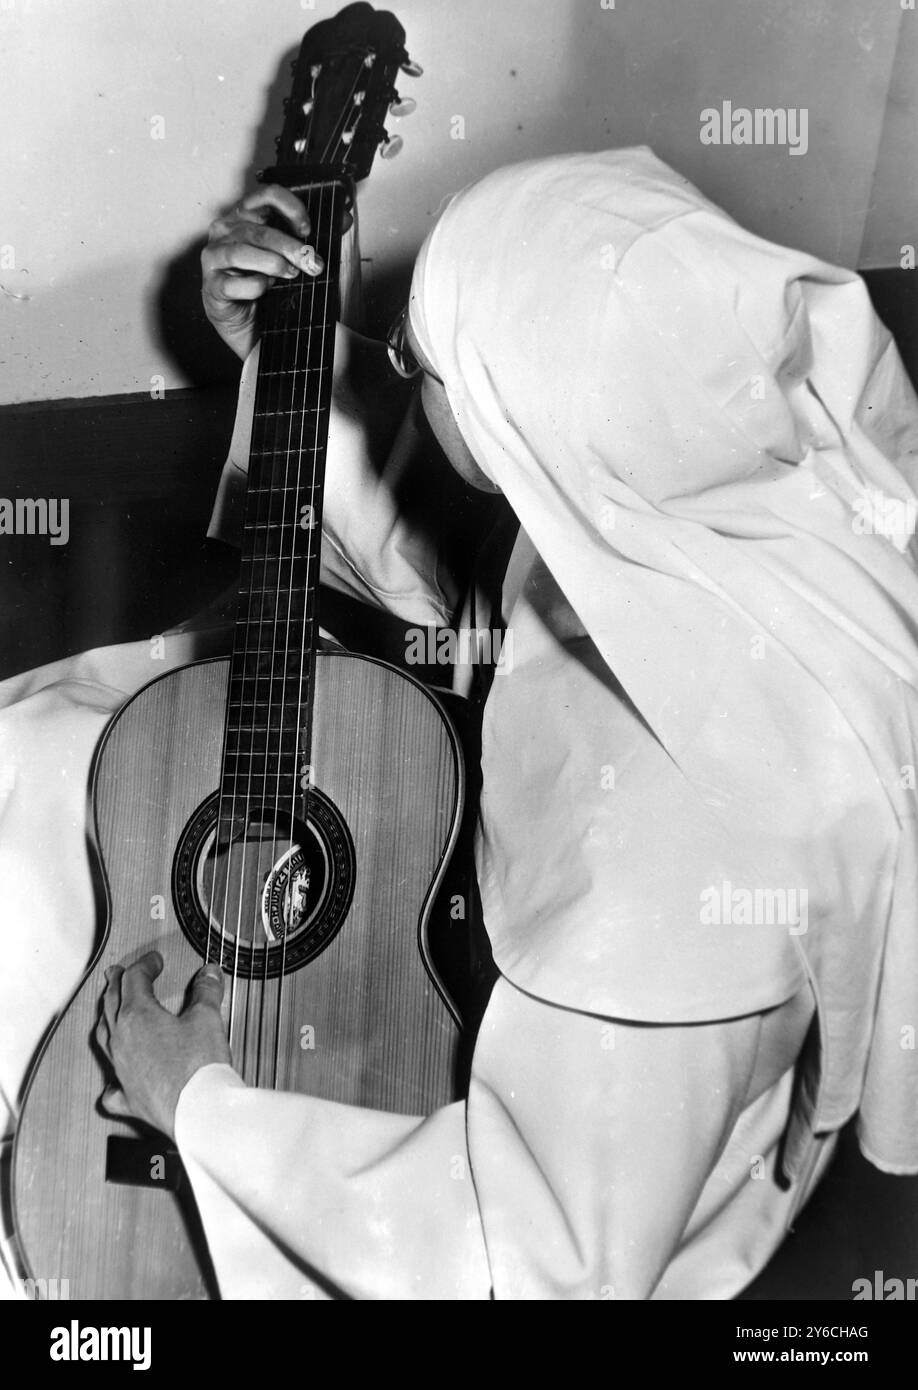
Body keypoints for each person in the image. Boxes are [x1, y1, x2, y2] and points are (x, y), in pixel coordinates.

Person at [6, 147, 918, 1300]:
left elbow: (516, 1265)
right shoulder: (698, 487)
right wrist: (281, 360)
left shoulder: (667, 870)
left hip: (581, 1216)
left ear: (515, 407)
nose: (401, 369)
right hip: (605, 1075)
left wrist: (199, 1104)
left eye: (419, 361)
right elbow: (490, 622)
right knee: (47, 743)